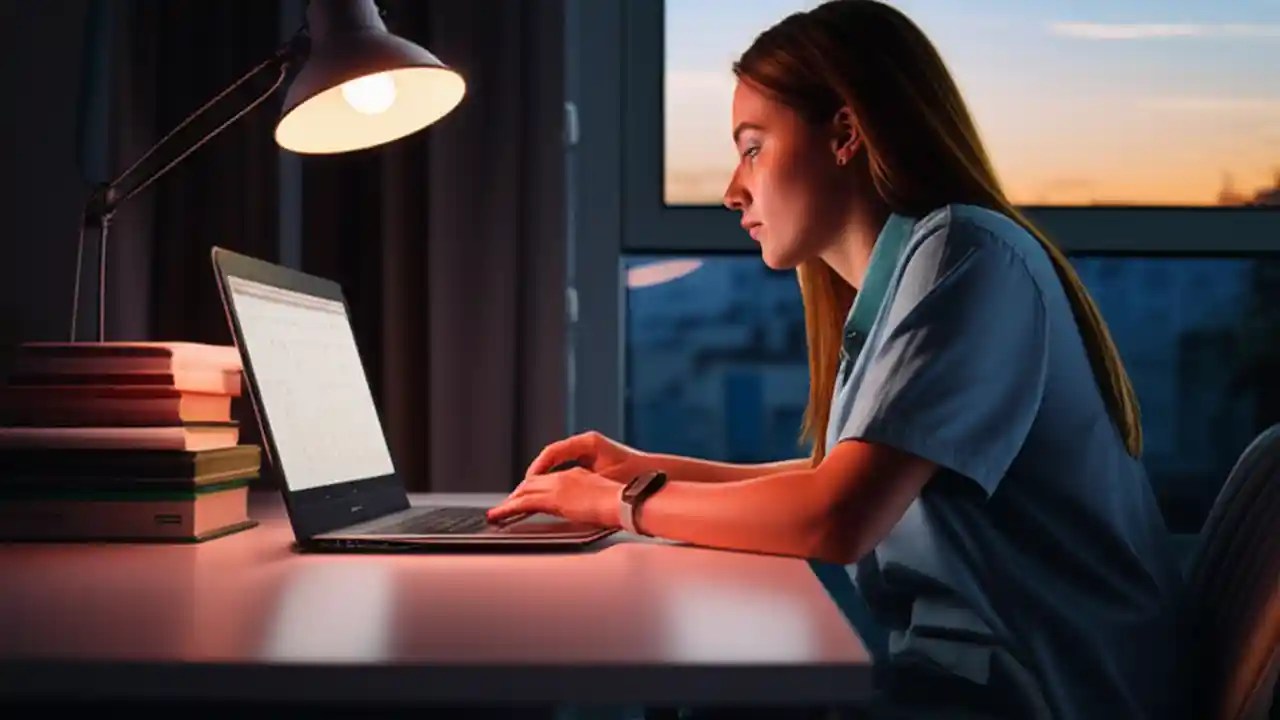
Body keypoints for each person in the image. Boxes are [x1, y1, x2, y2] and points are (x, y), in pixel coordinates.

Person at [487, 1, 1184, 718]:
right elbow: (840, 480)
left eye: (752, 147)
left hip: (1055, 693)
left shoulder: (968, 257)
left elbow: (837, 516)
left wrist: (615, 505)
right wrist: (641, 470)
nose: (733, 190)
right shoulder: (909, 273)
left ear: (845, 132)